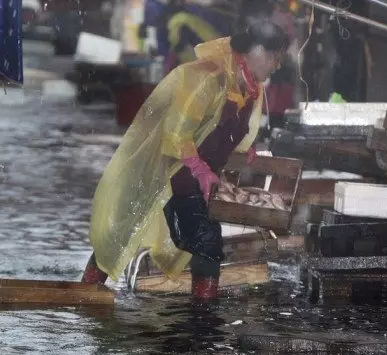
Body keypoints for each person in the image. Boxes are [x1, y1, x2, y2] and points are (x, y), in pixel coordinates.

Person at [81, 21, 289, 301]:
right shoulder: (208, 77)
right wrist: (199, 169)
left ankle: (201, 320)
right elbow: (176, 133)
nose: (277, 66)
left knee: (205, 242)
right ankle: (85, 294)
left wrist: (243, 152)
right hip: (172, 169)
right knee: (124, 228)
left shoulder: (251, 88)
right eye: (276, 58)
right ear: (258, 51)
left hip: (199, 179)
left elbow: (236, 131)